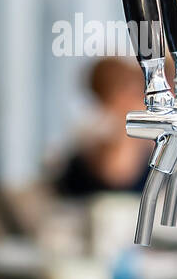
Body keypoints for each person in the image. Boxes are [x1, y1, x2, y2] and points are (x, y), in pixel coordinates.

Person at [54, 57, 151, 197]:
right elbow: (119, 172)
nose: (141, 98)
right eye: (131, 91)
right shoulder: (96, 128)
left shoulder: (144, 133)